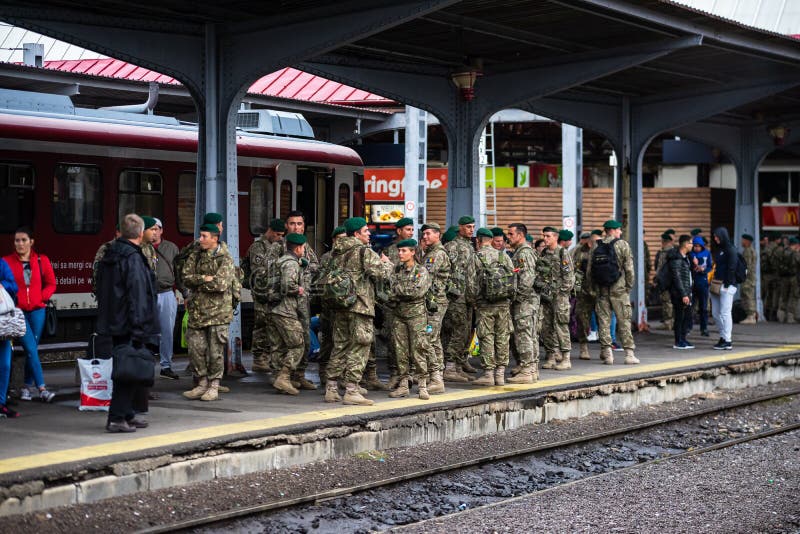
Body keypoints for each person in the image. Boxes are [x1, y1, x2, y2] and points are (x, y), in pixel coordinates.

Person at [95, 214, 159, 432]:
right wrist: (141, 327)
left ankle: (128, 413)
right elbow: (138, 294)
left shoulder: (110, 254)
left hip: (114, 321)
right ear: (141, 233)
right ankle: (117, 418)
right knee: (128, 371)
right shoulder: (132, 258)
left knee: (125, 368)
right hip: (131, 324)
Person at [324, 217, 392, 406]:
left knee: (340, 346)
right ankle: (351, 389)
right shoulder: (364, 252)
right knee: (360, 346)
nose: (369, 234)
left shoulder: (335, 253)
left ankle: (331, 388)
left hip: (340, 306)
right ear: (356, 234)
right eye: (365, 231)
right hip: (360, 306)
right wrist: (387, 263)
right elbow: (382, 274)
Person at [181, 223, 238, 401]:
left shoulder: (225, 258)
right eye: (201, 235)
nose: (200, 239)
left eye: (204, 236)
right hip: (198, 312)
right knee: (195, 349)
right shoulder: (195, 254)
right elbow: (185, 277)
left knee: (215, 352)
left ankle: (214, 385)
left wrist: (198, 281)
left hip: (218, 314)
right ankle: (202, 383)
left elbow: (221, 284)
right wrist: (204, 278)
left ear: (215, 238)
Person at [4, 227, 57, 402]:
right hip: (17, 312)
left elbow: (51, 283)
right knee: (31, 348)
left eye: (23, 240)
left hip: (37, 311)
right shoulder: (6, 262)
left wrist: (42, 298)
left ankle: (27, 387)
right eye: (17, 240)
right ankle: (42, 388)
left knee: (31, 349)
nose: (19, 243)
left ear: (31, 242)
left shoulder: (42, 260)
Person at [587, 219, 639, 365]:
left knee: (603, 321)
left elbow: (589, 270)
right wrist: (628, 286)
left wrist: (593, 288)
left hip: (602, 289)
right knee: (624, 320)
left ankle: (607, 354)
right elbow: (629, 269)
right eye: (619, 230)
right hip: (619, 288)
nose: (620, 232)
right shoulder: (622, 245)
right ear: (614, 230)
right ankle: (629, 354)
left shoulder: (596, 245)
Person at [387, 239, 433, 400]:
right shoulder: (397, 270)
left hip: (417, 316)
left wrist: (398, 291)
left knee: (419, 350)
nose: (400, 254)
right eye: (399, 251)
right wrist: (400, 291)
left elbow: (417, 292)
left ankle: (422, 385)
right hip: (399, 315)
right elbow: (389, 291)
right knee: (400, 352)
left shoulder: (421, 271)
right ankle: (403, 385)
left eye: (404, 251)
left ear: (413, 252)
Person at [468, 227, 515, 385]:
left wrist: (474, 302)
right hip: (503, 304)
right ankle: (500, 374)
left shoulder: (476, 257)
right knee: (503, 337)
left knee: (486, 336)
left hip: (484, 305)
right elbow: (513, 280)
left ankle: (488, 374)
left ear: (479, 241)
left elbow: (470, 285)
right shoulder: (504, 256)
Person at [284, 210, 320, 390]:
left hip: (303, 301)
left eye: (299, 224)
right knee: (286, 342)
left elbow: (316, 265)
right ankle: (283, 377)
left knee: (305, 339)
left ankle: (299, 375)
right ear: (286, 226)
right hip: (285, 303)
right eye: (292, 224)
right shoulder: (280, 247)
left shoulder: (306, 246)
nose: (296, 227)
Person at [269, 234, 308, 395]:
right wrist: (298, 289)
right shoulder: (291, 263)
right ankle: (284, 377)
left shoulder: (279, 261)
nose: (304, 251)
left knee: (279, 346)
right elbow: (287, 284)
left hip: (274, 308)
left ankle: (280, 379)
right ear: (298, 248)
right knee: (298, 344)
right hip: (286, 310)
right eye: (304, 248)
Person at [247, 218, 285, 374]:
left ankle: (268, 356)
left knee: (273, 325)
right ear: (269, 231)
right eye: (277, 234)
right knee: (261, 325)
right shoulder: (258, 247)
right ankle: (258, 358)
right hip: (262, 292)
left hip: (275, 292)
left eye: (282, 235)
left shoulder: (280, 245)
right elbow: (260, 270)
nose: (280, 238)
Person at [380, 218, 415, 389]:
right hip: (393, 302)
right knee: (394, 340)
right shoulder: (389, 250)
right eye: (407, 229)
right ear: (399, 231)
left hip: (411, 303)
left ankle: (411, 374)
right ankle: (396, 373)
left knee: (413, 341)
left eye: (412, 229)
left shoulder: (416, 250)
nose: (411, 232)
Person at [442, 216, 478, 378]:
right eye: (468, 227)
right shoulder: (452, 246)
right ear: (460, 228)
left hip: (468, 296)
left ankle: (457, 365)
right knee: (457, 330)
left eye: (473, 227)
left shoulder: (469, 246)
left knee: (465, 331)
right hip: (456, 297)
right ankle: (450, 367)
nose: (471, 230)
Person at [536, 226, 575, 371]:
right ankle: (551, 356)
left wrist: (561, 293)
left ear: (555, 237)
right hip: (547, 297)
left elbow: (569, 277)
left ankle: (566, 358)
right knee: (547, 327)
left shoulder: (563, 253)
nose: (545, 239)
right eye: (544, 236)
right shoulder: (545, 253)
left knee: (561, 326)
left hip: (559, 297)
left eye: (548, 236)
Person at [147, 218, 181, 379]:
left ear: (161, 230)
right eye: (151, 229)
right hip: (146, 295)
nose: (154, 231)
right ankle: (145, 367)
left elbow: (179, 272)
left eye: (156, 228)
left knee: (167, 331)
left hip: (166, 293)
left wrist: (186, 294)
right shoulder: (141, 247)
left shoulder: (171, 248)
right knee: (145, 332)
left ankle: (166, 365)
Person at [419, 222, 451, 393]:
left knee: (429, 338)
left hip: (434, 303)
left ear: (438, 234)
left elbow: (424, 276)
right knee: (434, 339)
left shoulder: (436, 255)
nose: (425, 237)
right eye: (423, 234)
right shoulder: (431, 253)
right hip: (433, 301)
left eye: (428, 233)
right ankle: (437, 375)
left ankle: (436, 378)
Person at [506, 223, 539, 383]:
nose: (508, 237)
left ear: (520, 235)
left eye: (511, 234)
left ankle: (527, 370)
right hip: (527, 301)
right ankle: (531, 368)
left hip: (524, 302)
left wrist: (516, 297)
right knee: (528, 335)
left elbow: (527, 279)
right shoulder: (521, 252)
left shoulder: (523, 253)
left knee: (524, 335)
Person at [317, 226, 346, 387]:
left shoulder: (347, 256)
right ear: (334, 240)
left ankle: (340, 375)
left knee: (341, 342)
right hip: (329, 306)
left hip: (343, 306)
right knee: (328, 341)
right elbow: (320, 281)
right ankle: (323, 371)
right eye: (339, 238)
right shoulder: (327, 258)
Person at [710, 227, 737, 350]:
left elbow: (732, 268)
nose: (715, 239)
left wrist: (727, 285)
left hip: (727, 285)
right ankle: (723, 336)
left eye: (717, 236)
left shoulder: (731, 250)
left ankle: (728, 340)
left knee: (725, 313)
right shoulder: (720, 249)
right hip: (716, 284)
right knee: (716, 313)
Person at [667, 235, 694, 349]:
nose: (692, 245)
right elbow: (677, 278)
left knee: (686, 317)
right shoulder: (676, 258)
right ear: (685, 244)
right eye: (691, 243)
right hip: (679, 293)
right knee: (679, 317)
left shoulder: (685, 257)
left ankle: (683, 339)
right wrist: (683, 294)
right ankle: (678, 341)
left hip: (686, 292)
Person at [1, 258, 20, 418]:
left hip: (3, 326)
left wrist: (2, 285)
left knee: (5, 365)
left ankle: (1, 404)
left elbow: (14, 286)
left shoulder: (1, 264)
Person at [572, 231, 595, 360]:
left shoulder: (601, 250)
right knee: (582, 319)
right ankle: (583, 346)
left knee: (603, 320)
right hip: (583, 291)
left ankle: (605, 349)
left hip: (599, 290)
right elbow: (573, 269)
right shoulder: (578, 251)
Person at [689, 235, 712, 337]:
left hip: (703, 283)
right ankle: (688, 327)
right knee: (691, 307)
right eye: (695, 246)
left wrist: (703, 270)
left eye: (698, 246)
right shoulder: (690, 254)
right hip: (693, 283)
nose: (696, 248)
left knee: (703, 308)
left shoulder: (707, 253)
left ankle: (704, 328)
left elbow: (710, 267)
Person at [654, 232, 675, 330]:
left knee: (667, 301)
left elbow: (659, 268)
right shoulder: (675, 251)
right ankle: (672, 322)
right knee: (671, 301)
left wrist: (657, 278)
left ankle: (668, 323)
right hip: (672, 281)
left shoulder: (664, 253)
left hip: (665, 281)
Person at [777, 236, 800, 324]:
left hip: (783, 278)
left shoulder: (782, 252)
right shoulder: (795, 253)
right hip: (793, 278)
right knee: (793, 297)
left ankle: (781, 317)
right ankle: (790, 317)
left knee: (783, 297)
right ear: (796, 245)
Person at [739, 234, 757, 324]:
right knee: (747, 296)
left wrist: (742, 275)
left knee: (748, 296)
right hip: (749, 278)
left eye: (743, 240)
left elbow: (747, 266)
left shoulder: (748, 252)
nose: (742, 242)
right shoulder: (750, 250)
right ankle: (750, 316)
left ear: (747, 241)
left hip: (748, 279)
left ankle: (751, 316)